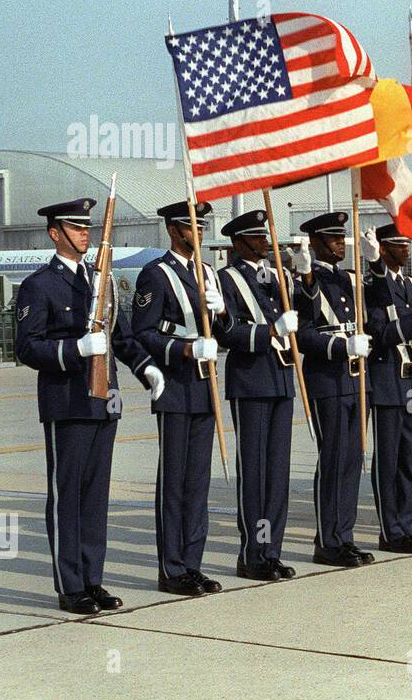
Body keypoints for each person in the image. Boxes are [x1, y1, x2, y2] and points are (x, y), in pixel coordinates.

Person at [16, 198, 162, 613]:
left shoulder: (103, 281)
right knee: (68, 495)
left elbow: (123, 337)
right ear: (54, 233)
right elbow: (27, 347)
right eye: (75, 227)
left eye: (86, 227)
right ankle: (70, 585)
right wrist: (74, 348)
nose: (85, 233)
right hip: (66, 402)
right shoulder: (40, 285)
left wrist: (147, 368)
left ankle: (92, 579)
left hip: (104, 400)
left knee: (96, 497)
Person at [131, 200, 226, 595]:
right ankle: (171, 568)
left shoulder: (207, 273)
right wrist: (184, 349)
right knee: (174, 482)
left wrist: (223, 315)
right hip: (175, 385)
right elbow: (144, 332)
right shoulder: (156, 274)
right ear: (173, 229)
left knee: (198, 482)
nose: (199, 231)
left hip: (205, 386)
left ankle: (192, 563)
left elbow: (224, 327)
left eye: (202, 225)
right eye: (191, 225)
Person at [215, 209, 299, 580]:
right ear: (239, 242)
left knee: (277, 472)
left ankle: (271, 550)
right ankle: (252, 552)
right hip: (251, 381)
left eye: (264, 236)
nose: (265, 242)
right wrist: (270, 331)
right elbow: (227, 333)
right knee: (256, 471)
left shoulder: (273, 278)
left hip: (280, 378)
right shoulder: (227, 279)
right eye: (256, 237)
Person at [292, 211, 377, 566]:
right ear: (314, 242)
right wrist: (342, 348)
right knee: (334, 459)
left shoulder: (349, 279)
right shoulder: (304, 280)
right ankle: (327, 540)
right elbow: (305, 335)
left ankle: (345, 535)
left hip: (357, 380)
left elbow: (378, 303)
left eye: (341, 237)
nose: (339, 243)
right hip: (328, 380)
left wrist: (375, 264)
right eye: (331, 238)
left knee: (352, 461)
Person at [364, 223, 412, 553]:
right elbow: (379, 335)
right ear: (383, 248)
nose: (406, 250)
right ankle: (391, 531)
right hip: (386, 379)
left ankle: (411, 526)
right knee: (389, 460)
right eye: (399, 245)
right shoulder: (372, 286)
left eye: (408, 244)